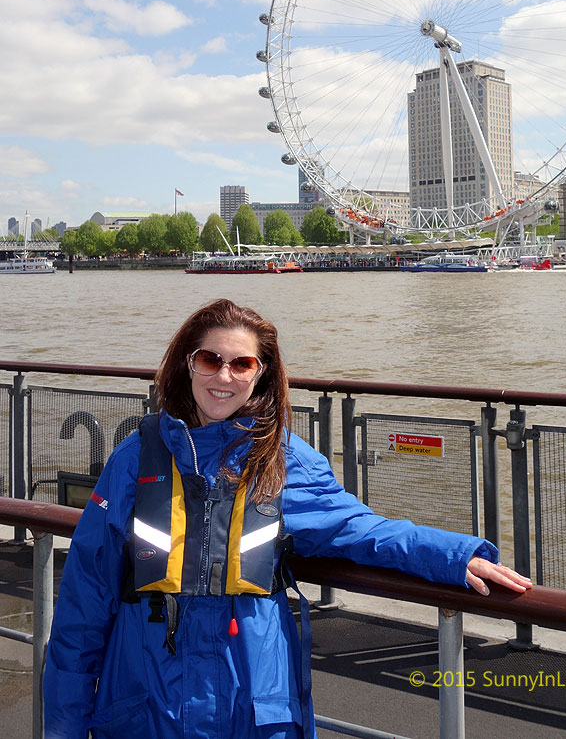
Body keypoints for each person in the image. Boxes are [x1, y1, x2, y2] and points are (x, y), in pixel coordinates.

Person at [44, 299, 531, 739]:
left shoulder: (284, 461)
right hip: (147, 707)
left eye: (242, 363)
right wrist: (64, 725)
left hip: (255, 706)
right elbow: (85, 600)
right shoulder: (135, 459)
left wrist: (450, 557)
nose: (225, 376)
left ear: (261, 373)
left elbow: (359, 530)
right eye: (211, 359)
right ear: (187, 364)